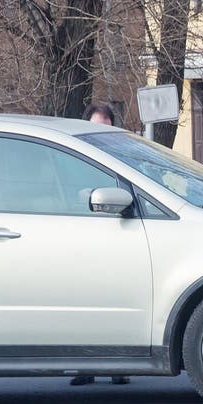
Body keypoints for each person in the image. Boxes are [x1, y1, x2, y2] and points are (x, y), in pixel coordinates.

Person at [70, 102, 130, 387]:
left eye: (105, 126)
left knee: (116, 300)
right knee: (87, 301)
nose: (100, 131)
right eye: (96, 125)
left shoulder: (122, 157)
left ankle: (119, 366)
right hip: (86, 237)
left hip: (117, 236)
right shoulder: (77, 157)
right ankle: (85, 367)